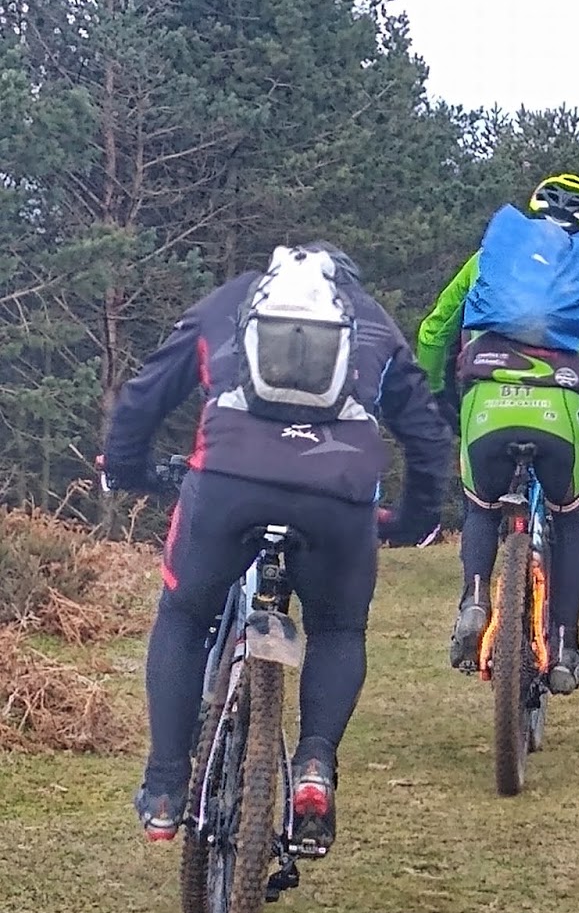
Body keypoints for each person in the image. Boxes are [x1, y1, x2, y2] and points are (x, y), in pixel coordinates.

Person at [102, 242, 452, 850]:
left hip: (228, 484)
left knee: (183, 617)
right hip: (338, 497)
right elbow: (425, 433)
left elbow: (147, 390)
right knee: (339, 631)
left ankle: (164, 788)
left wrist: (127, 467)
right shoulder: (372, 320)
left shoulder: (230, 302)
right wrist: (410, 519)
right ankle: (314, 767)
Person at [417, 173, 579, 693]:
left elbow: (434, 330)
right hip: (557, 404)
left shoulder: (489, 257)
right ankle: (564, 647)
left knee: (482, 506)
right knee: (568, 517)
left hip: (486, 399)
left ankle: (475, 599)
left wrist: (442, 397)